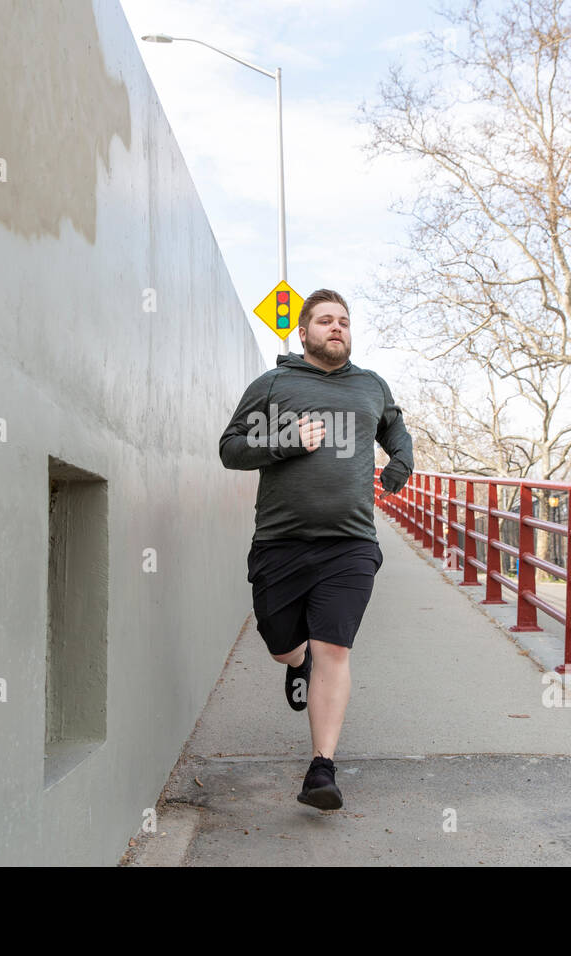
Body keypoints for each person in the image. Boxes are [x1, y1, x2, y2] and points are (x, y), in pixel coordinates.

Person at [218, 288, 413, 810]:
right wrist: (283, 441)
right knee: (284, 642)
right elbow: (230, 449)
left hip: (349, 544)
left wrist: (400, 464)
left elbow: (397, 431)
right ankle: (294, 660)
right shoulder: (275, 383)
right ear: (303, 332)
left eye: (344, 321)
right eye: (325, 320)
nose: (337, 328)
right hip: (280, 544)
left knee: (335, 648)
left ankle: (321, 769)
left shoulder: (371, 386)